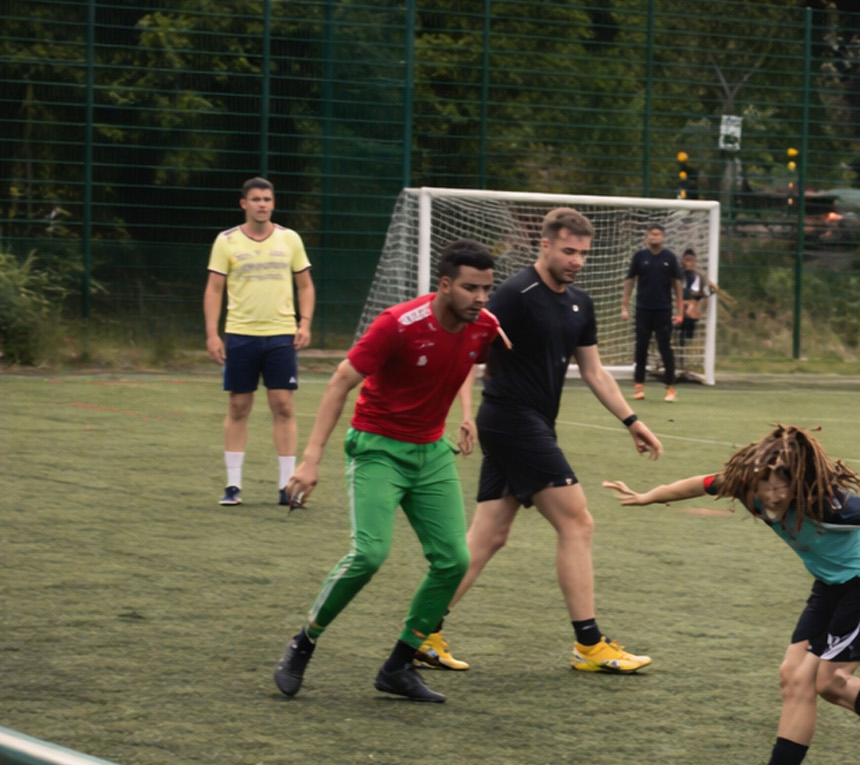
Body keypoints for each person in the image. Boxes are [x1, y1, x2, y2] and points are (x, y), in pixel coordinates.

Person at [603, 426, 860, 765]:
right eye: (763, 482)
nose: (771, 493)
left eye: (781, 484)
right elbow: (699, 484)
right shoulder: (748, 488)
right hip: (831, 583)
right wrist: (649, 496)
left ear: (798, 481)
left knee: (826, 681)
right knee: (793, 677)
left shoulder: (827, 505)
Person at [428, 209, 664, 675]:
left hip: (531, 423)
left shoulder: (580, 302)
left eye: (583, 253)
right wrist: (465, 414)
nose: (576, 261)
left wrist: (630, 419)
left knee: (488, 536)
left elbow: (593, 371)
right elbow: (467, 351)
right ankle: (590, 645)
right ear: (545, 246)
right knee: (578, 523)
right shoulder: (515, 295)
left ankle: (422, 631)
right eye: (568, 251)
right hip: (512, 421)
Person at [272, 241, 498, 704]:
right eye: (471, 288)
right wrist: (311, 459)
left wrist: (466, 413)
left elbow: (468, 364)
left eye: (487, 289)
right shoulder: (397, 324)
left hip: (432, 452)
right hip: (378, 448)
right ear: (444, 285)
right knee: (370, 555)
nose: (481, 298)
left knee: (454, 560)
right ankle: (304, 641)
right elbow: (340, 380)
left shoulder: (486, 326)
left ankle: (398, 666)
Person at [204, 177, 314, 506]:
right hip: (240, 335)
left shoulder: (289, 239)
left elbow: (305, 286)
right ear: (244, 204)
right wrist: (212, 334)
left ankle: (286, 488)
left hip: (281, 335)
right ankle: (233, 486)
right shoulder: (225, 242)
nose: (262, 204)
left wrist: (305, 322)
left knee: (283, 405)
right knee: (239, 406)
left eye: (267, 199)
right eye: (256, 199)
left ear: (273, 203)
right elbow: (214, 290)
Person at [621, 226, 683, 402]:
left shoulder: (669, 258)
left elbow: (677, 284)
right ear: (647, 237)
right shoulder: (640, 257)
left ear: (662, 237)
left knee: (665, 349)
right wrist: (624, 306)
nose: (654, 237)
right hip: (643, 310)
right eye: (651, 234)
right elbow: (629, 281)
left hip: (663, 311)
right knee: (641, 348)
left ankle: (670, 388)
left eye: (657, 234)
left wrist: (680, 311)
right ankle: (639, 386)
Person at [677, 249, 710, 352]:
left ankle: (688, 359)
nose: (689, 262)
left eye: (691, 260)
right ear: (683, 260)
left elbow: (707, 292)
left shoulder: (700, 275)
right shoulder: (678, 274)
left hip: (692, 310)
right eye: (686, 259)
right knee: (679, 337)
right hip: (679, 309)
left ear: (695, 260)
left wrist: (699, 305)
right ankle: (680, 358)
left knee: (689, 337)